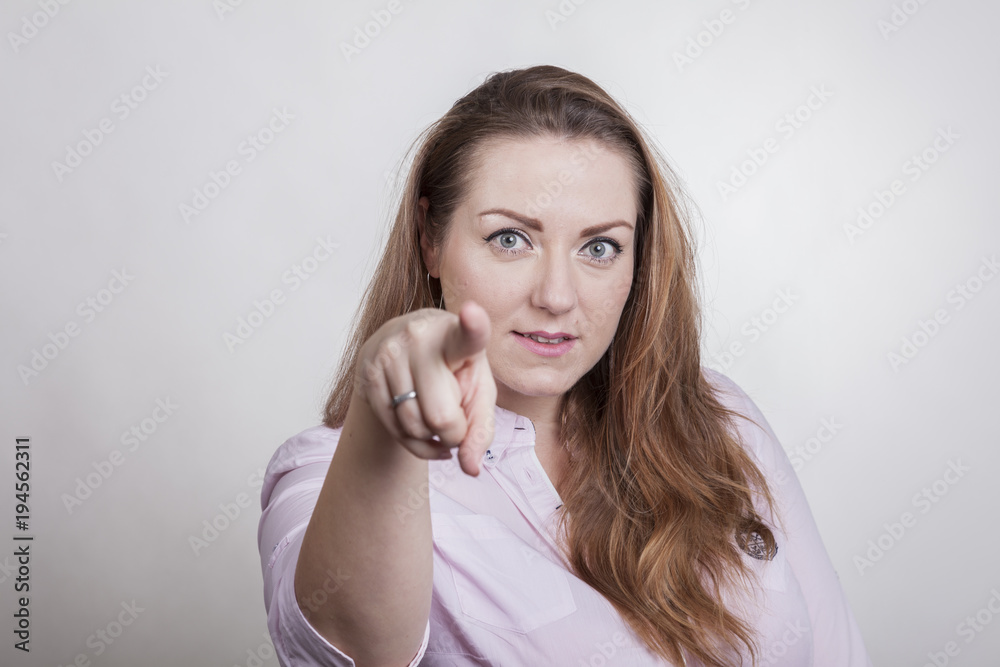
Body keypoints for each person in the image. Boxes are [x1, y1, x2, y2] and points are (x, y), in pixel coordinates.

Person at [257, 65, 873, 666]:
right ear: (430, 237)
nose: (556, 296)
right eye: (509, 239)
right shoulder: (330, 472)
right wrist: (388, 406)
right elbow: (350, 646)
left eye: (599, 247)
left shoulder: (723, 419)